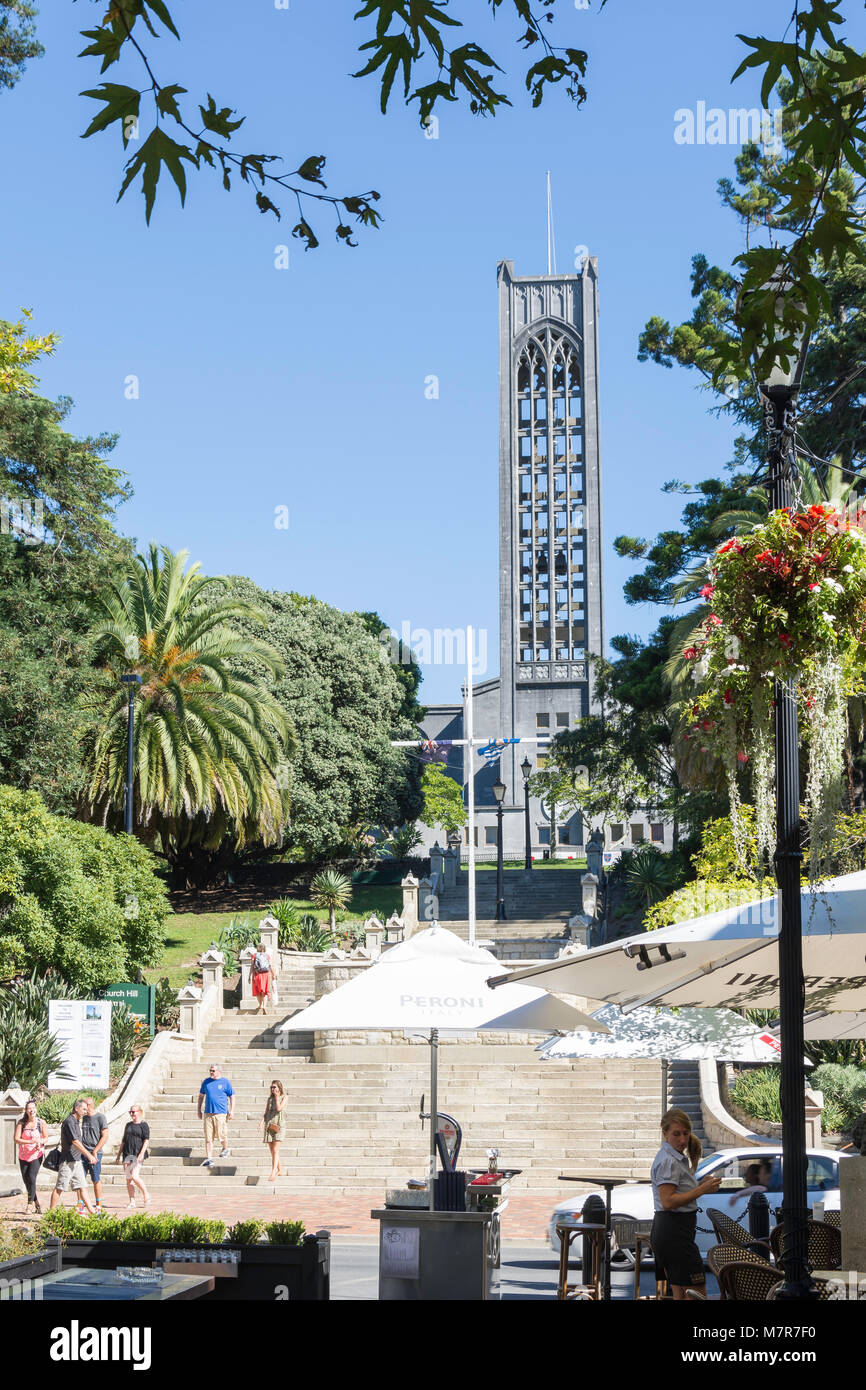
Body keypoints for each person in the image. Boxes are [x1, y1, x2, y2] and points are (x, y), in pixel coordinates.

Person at [650, 1108, 721, 1300]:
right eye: (676, 1134)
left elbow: (677, 1192)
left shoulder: (673, 1158)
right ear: (664, 1133)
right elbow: (668, 1201)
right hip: (674, 1231)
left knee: (682, 1293)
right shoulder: (669, 1161)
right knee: (697, 1291)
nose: (682, 1140)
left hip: (674, 1231)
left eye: (685, 1133)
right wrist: (701, 1190)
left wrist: (700, 1185)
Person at [49, 1099, 96, 1213]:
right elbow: (75, 1142)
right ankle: (50, 1214)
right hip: (67, 1161)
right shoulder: (69, 1121)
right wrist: (89, 1155)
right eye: (84, 1109)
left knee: (82, 1186)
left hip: (76, 1160)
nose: (86, 1111)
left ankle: (93, 1213)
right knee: (60, 1187)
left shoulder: (76, 1121)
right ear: (76, 1108)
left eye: (86, 1109)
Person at [197, 1062, 235, 1166]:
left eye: (213, 1070)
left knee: (221, 1135)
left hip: (221, 1113)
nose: (211, 1072)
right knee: (208, 1137)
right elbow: (201, 1096)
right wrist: (198, 1110)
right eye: (210, 1070)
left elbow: (232, 1096)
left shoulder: (225, 1082)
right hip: (208, 1113)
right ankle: (209, 1158)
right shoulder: (206, 1082)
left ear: (219, 1071)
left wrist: (231, 1110)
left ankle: (225, 1148)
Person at [14, 1099, 47, 1214]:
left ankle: (29, 1204)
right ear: (26, 1110)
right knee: (26, 1180)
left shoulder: (41, 1123)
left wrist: (40, 1142)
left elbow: (45, 1138)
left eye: (33, 1107)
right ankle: (37, 1203)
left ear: (36, 1109)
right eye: (29, 1108)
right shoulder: (21, 1123)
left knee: (32, 1177)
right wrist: (30, 1142)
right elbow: (16, 1139)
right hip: (23, 1155)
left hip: (36, 1154)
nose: (31, 1110)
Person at [114, 1104, 150, 1208]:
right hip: (127, 1154)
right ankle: (132, 1201)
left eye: (133, 1112)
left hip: (137, 1153)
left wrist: (141, 1154)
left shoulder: (144, 1125)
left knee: (135, 1176)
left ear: (139, 1112)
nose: (132, 1114)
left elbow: (146, 1140)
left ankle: (146, 1194)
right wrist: (118, 1155)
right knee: (129, 1178)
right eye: (130, 1112)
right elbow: (124, 1141)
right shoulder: (128, 1125)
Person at [80, 1095, 109, 1214]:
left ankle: (98, 1204)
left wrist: (95, 1150)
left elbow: (105, 1135)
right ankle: (80, 1204)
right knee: (80, 1180)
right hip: (83, 1153)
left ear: (88, 1105)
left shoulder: (100, 1117)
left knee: (95, 1178)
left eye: (83, 1105)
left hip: (95, 1153)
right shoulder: (84, 1118)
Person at [259, 1079, 286, 1182]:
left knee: (275, 1150)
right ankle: (280, 1170)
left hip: (279, 1125)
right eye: (271, 1087)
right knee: (272, 1150)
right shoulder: (269, 1099)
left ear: (279, 1088)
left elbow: (279, 1109)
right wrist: (261, 1123)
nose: (272, 1089)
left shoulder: (284, 1097)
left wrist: (277, 1097)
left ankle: (273, 1171)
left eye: (274, 1087)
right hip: (269, 1125)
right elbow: (266, 1112)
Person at [251, 940, 273, 1016]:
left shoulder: (254, 955)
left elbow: (252, 966)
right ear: (264, 948)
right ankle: (264, 1006)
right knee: (265, 991)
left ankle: (260, 1005)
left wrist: (249, 976)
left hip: (257, 975)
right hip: (266, 974)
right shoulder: (267, 956)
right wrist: (273, 974)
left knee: (258, 991)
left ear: (258, 948)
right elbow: (270, 966)